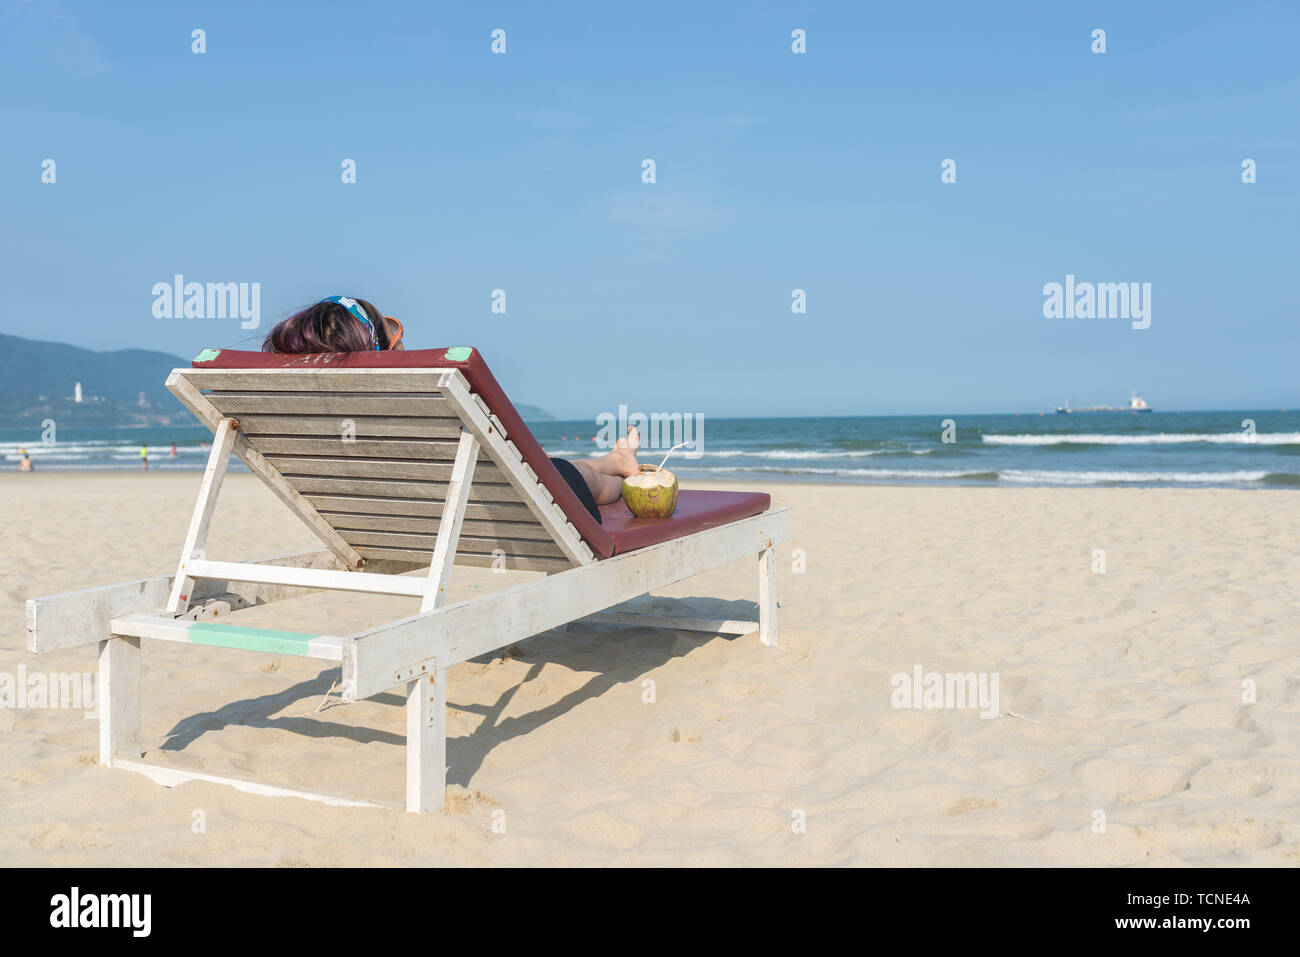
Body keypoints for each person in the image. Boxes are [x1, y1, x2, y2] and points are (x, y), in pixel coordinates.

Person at [261, 296, 639, 521]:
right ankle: (618, 469)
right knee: (571, 476)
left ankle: (616, 458)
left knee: (555, 467)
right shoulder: (418, 400)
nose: (401, 337)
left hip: (401, 519)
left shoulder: (310, 418)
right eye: (392, 330)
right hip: (500, 512)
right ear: (381, 349)